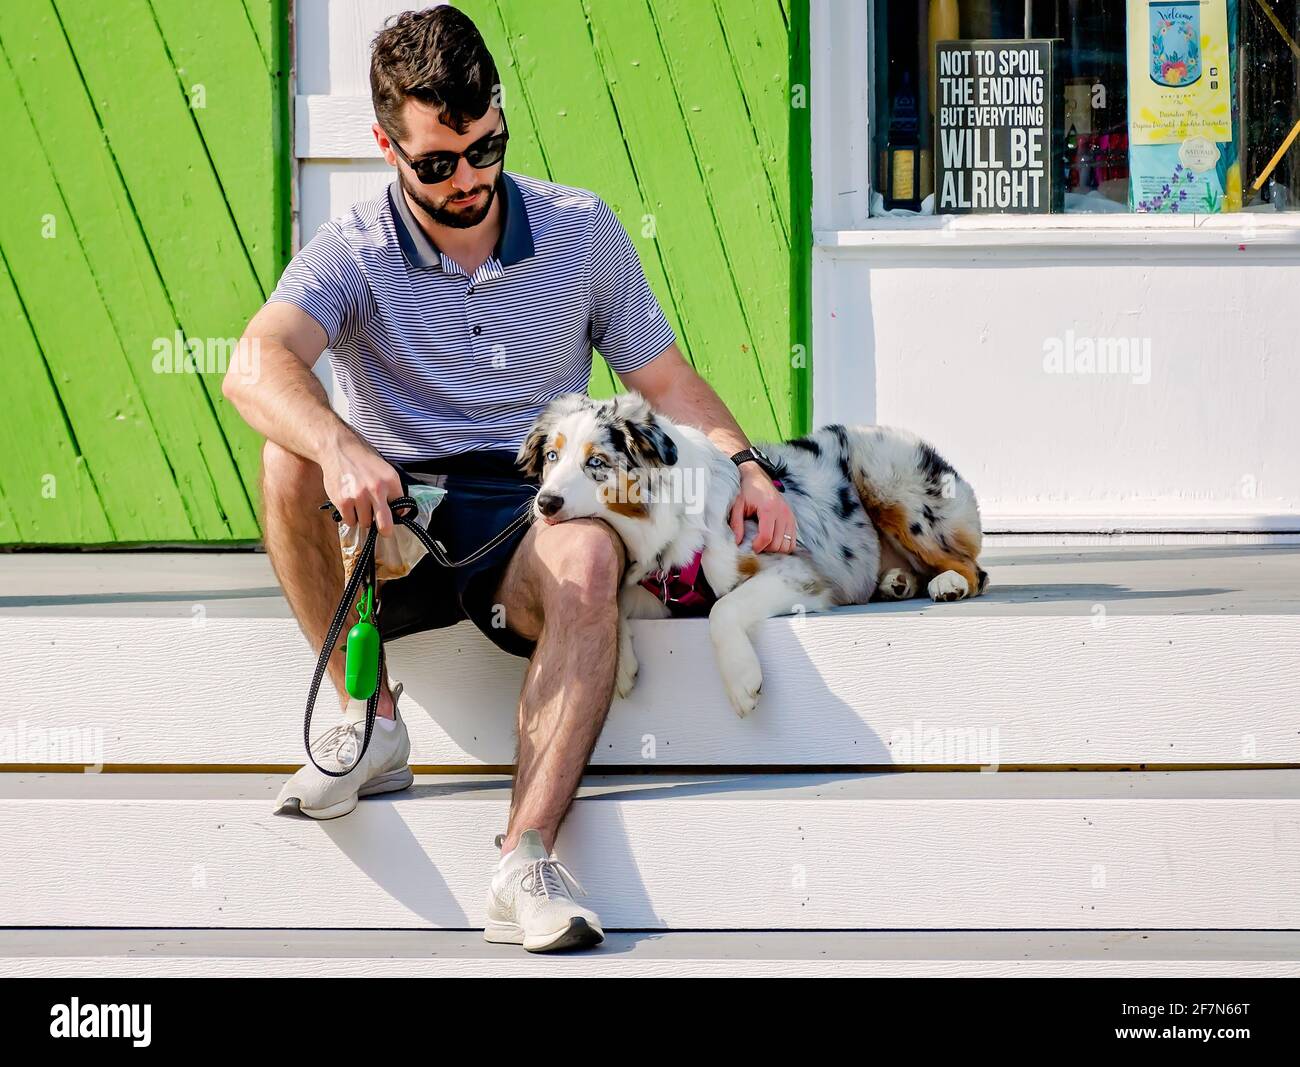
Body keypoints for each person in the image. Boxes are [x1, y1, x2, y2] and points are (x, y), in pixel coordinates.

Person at [223, 5, 795, 953]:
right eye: (437, 163)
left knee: (588, 550)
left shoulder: (579, 229)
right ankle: (368, 722)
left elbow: (665, 377)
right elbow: (255, 362)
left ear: (497, 118)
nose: (468, 180)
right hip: (395, 515)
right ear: (386, 146)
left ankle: (526, 857)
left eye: (485, 149)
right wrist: (337, 444)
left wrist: (745, 464)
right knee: (286, 447)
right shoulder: (355, 247)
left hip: (527, 502)